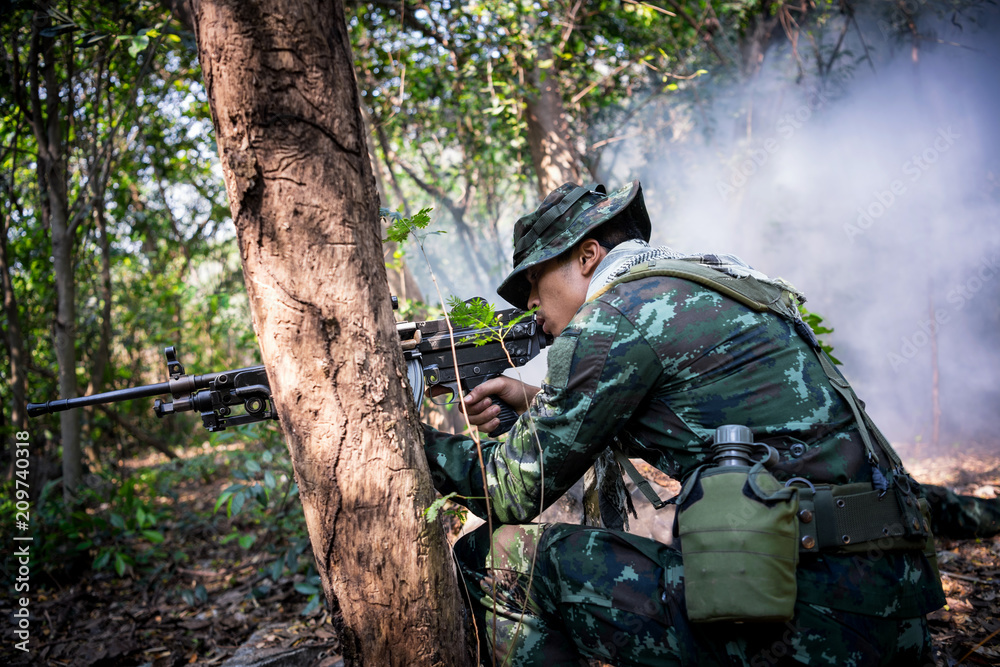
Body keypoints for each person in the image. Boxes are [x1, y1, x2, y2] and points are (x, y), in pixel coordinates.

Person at [421, 181, 946, 666]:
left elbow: (509, 494)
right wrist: (533, 395)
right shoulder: (712, 285)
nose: (531, 302)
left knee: (495, 558)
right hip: (891, 608)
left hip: (804, 614)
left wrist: (417, 447)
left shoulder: (618, 315)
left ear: (588, 256)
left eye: (535, 279)